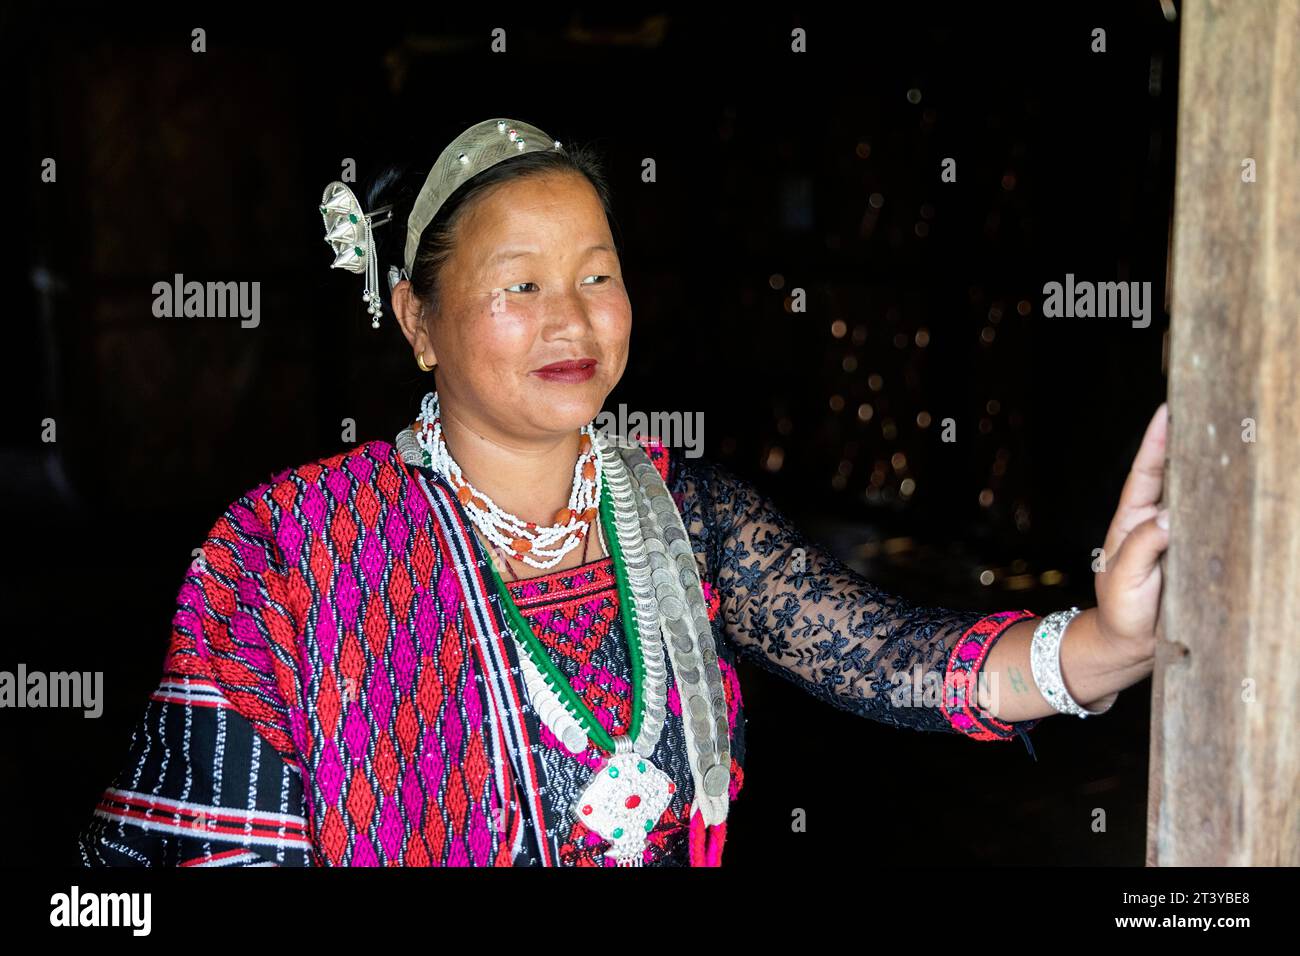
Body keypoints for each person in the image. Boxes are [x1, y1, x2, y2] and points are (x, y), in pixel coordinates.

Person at [76, 117, 1169, 867]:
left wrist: (1107, 639)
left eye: (597, 273)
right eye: (520, 284)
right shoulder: (287, 547)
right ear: (416, 320)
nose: (573, 317)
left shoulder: (686, 515)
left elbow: (886, 655)